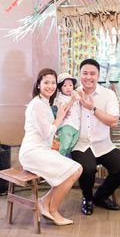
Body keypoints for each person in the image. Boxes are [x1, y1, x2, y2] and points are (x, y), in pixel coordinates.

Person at [19, 68, 83, 226]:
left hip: (42, 150)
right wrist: (60, 118)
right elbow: (48, 133)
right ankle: (53, 210)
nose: (50, 86)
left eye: (53, 83)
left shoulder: (44, 103)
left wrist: (60, 116)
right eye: (46, 82)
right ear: (38, 85)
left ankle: (45, 202)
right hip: (32, 152)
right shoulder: (37, 105)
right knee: (75, 169)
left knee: (75, 170)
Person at [71, 59, 120, 215]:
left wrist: (92, 108)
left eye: (92, 74)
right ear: (80, 74)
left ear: (98, 75)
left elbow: (113, 121)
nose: (88, 77)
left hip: (104, 144)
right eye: (85, 73)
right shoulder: (72, 94)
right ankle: (88, 199)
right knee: (88, 169)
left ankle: (100, 197)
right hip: (80, 144)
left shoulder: (108, 94)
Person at [54, 73, 80, 156]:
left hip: (76, 125)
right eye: (64, 85)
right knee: (64, 146)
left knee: (71, 146)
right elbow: (64, 110)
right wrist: (72, 100)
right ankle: (60, 160)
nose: (68, 88)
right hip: (66, 125)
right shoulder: (60, 98)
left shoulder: (75, 96)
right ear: (60, 88)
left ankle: (67, 159)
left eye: (70, 85)